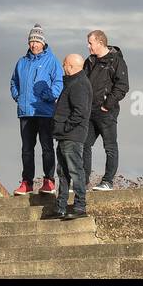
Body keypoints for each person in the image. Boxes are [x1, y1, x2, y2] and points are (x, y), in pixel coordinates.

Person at [10, 23, 63, 196]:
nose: (34, 45)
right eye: (31, 41)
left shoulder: (52, 60)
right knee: (27, 149)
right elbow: (13, 82)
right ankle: (27, 183)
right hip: (25, 113)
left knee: (47, 147)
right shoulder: (21, 62)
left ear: (43, 42)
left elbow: (59, 82)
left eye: (37, 41)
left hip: (44, 112)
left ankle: (49, 181)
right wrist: (18, 96)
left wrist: (50, 95)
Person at [82, 30, 129, 191]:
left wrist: (106, 105)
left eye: (90, 43)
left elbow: (122, 86)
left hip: (106, 112)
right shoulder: (89, 61)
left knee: (109, 146)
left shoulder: (116, 61)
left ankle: (108, 181)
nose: (88, 46)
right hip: (89, 112)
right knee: (84, 145)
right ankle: (83, 181)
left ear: (100, 43)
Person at [47, 53, 91, 221]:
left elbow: (80, 112)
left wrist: (65, 128)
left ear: (71, 67)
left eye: (64, 64)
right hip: (65, 136)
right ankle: (61, 208)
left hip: (72, 135)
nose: (63, 67)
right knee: (63, 172)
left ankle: (80, 206)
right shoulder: (73, 82)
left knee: (74, 170)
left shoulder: (79, 84)